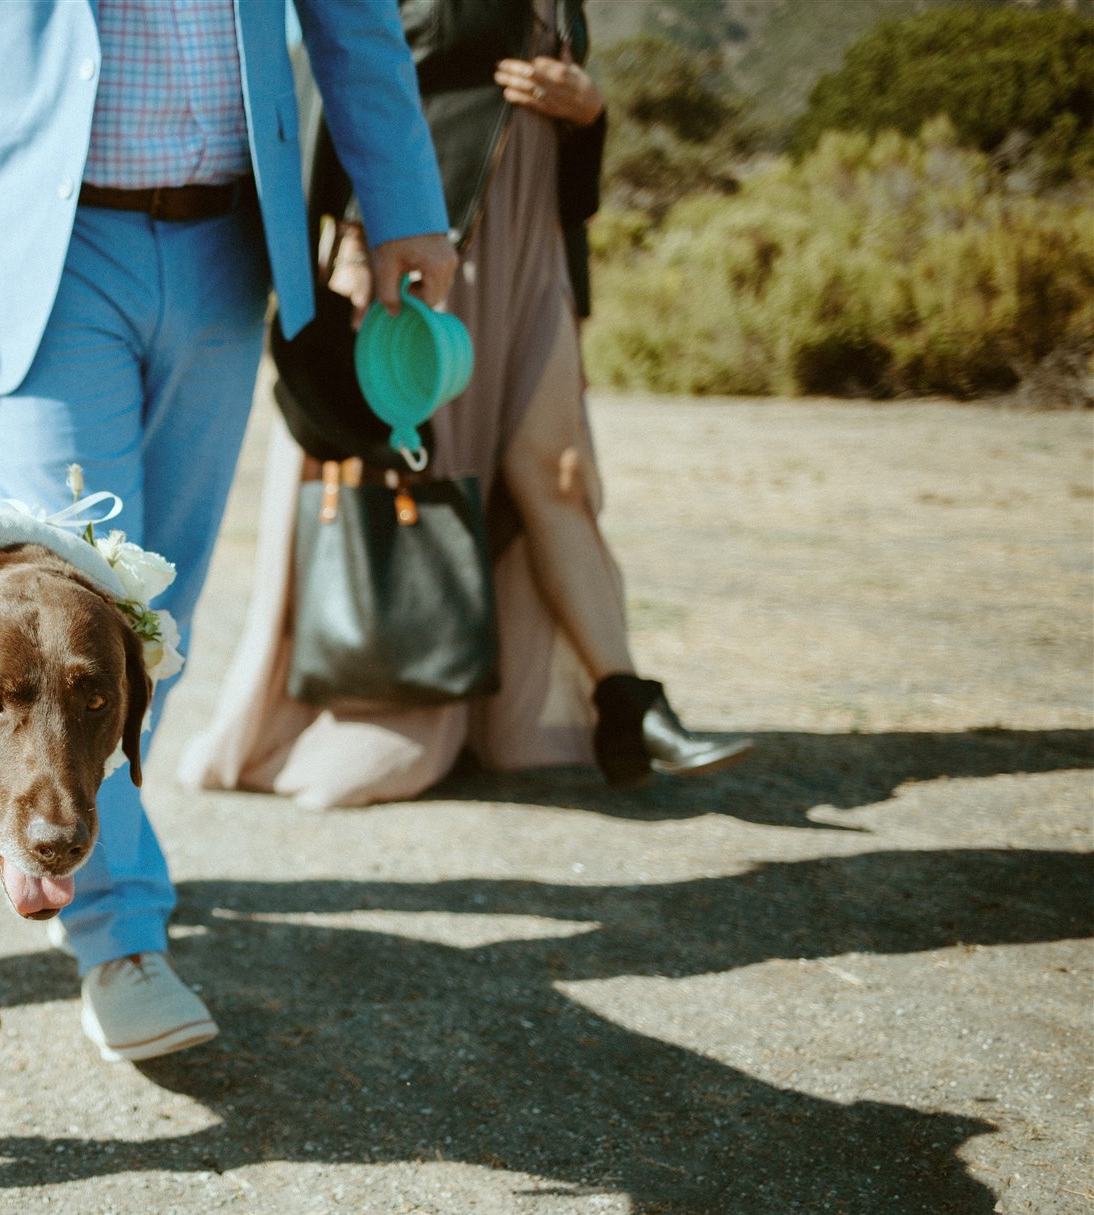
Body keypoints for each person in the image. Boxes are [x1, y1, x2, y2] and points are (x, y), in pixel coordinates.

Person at [0, 0, 457, 1060]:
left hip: (229, 246)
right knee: (69, 606)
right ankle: (117, 938)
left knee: (152, 616)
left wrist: (404, 205)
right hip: (35, 245)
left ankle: (54, 841)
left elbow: (354, 16)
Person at [180, 0, 751, 809]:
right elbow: (355, 66)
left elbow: (557, 139)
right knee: (401, 471)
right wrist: (358, 231)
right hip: (430, 235)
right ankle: (386, 690)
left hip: (534, 241)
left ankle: (625, 699)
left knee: (559, 472)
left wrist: (590, 115)